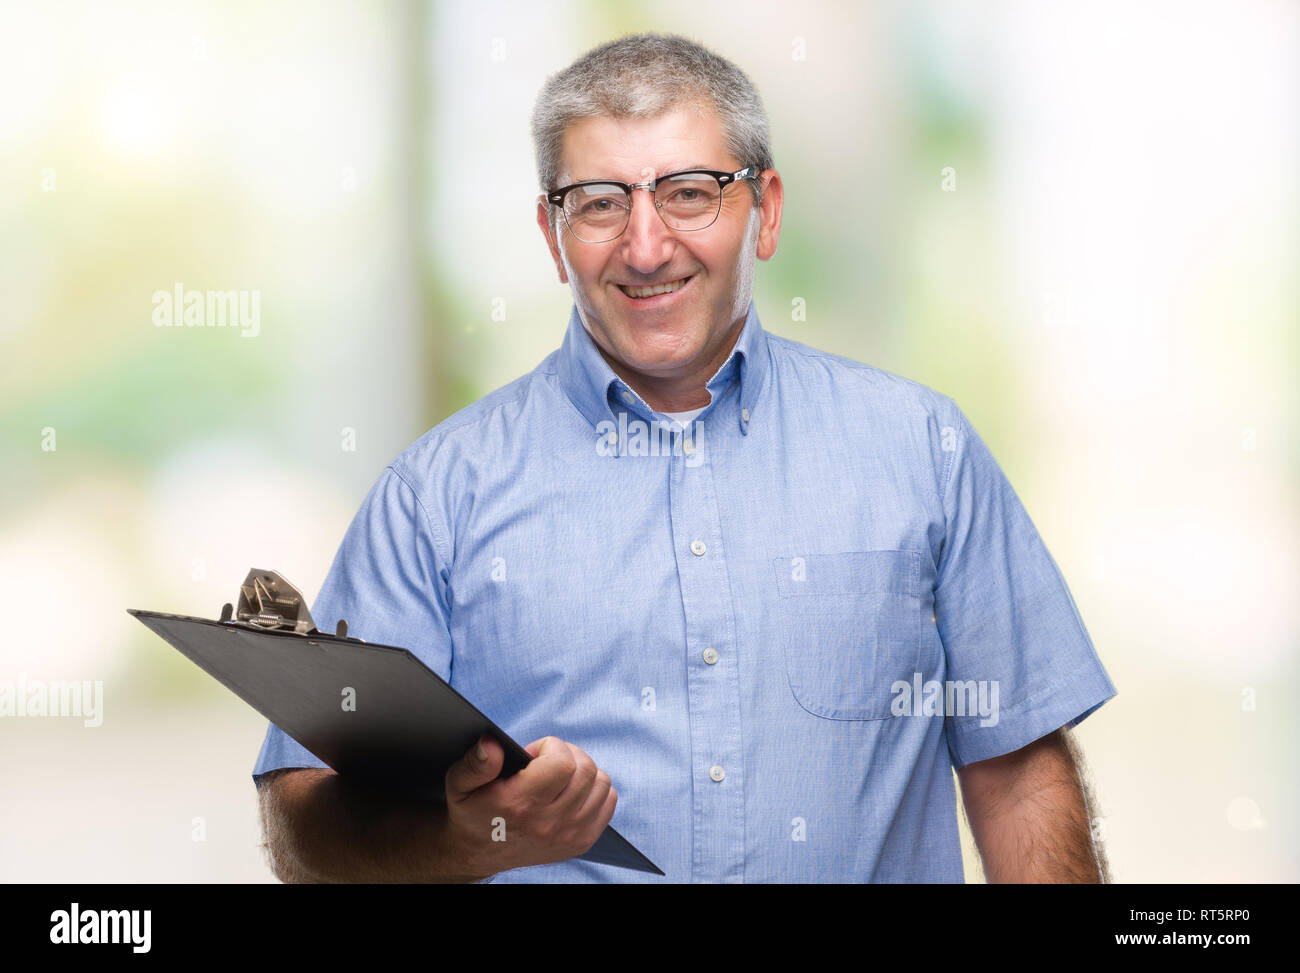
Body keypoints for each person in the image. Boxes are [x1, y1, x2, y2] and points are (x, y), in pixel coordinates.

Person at [253, 32, 1116, 884]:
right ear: (554, 235)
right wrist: (476, 839)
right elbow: (306, 823)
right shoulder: (432, 498)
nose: (646, 246)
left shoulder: (925, 451)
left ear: (766, 209)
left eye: (690, 194)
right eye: (598, 202)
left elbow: (1016, 774)